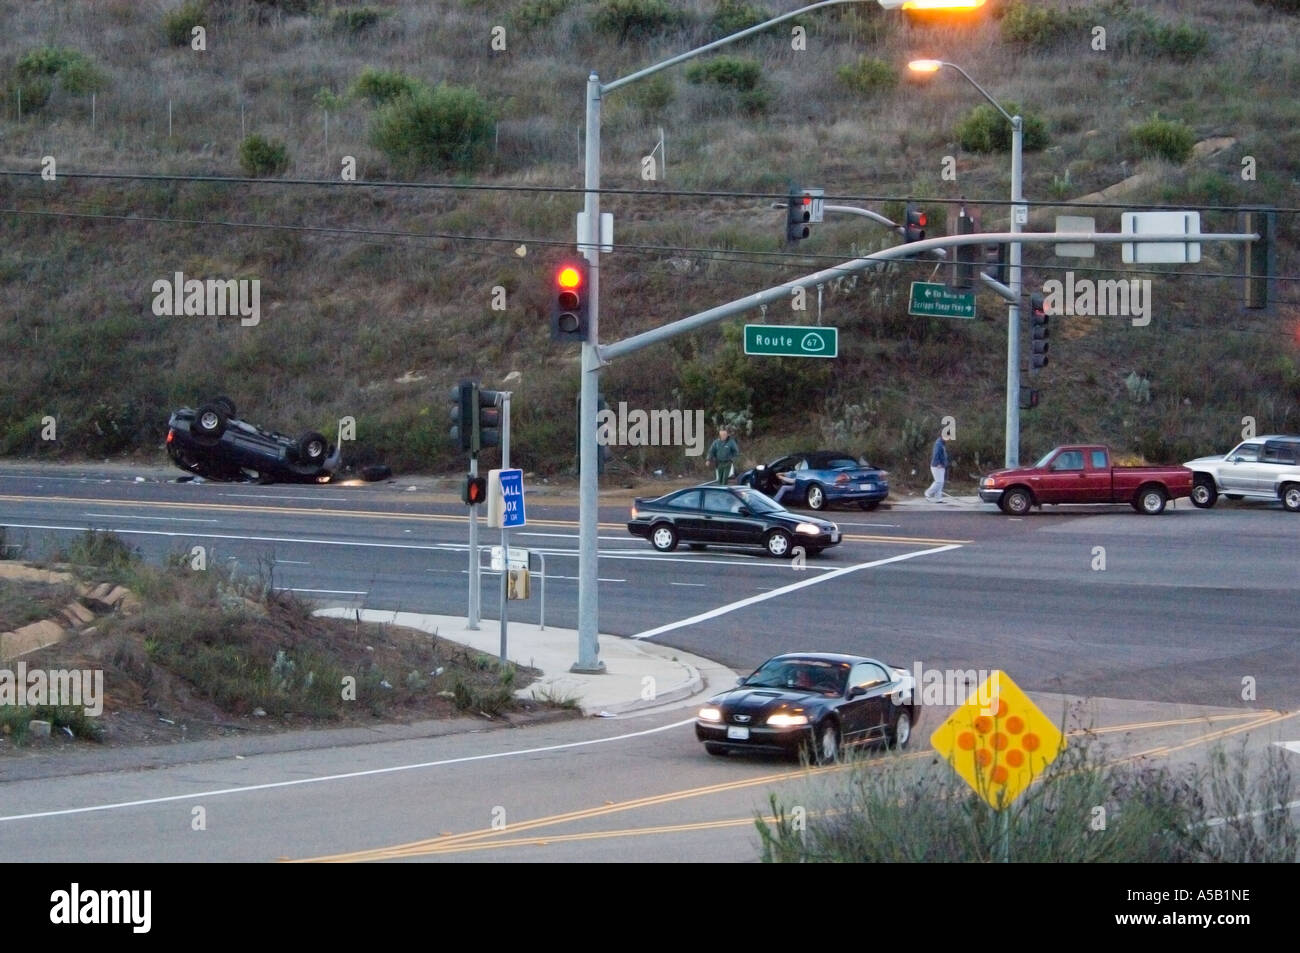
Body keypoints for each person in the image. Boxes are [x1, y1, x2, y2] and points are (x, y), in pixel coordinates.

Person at [925, 432, 949, 501]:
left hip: (942, 466)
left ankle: (938, 498)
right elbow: (935, 454)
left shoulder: (942, 443)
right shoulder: (938, 444)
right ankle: (928, 492)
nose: (949, 439)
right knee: (939, 482)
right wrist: (938, 463)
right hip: (936, 466)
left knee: (941, 482)